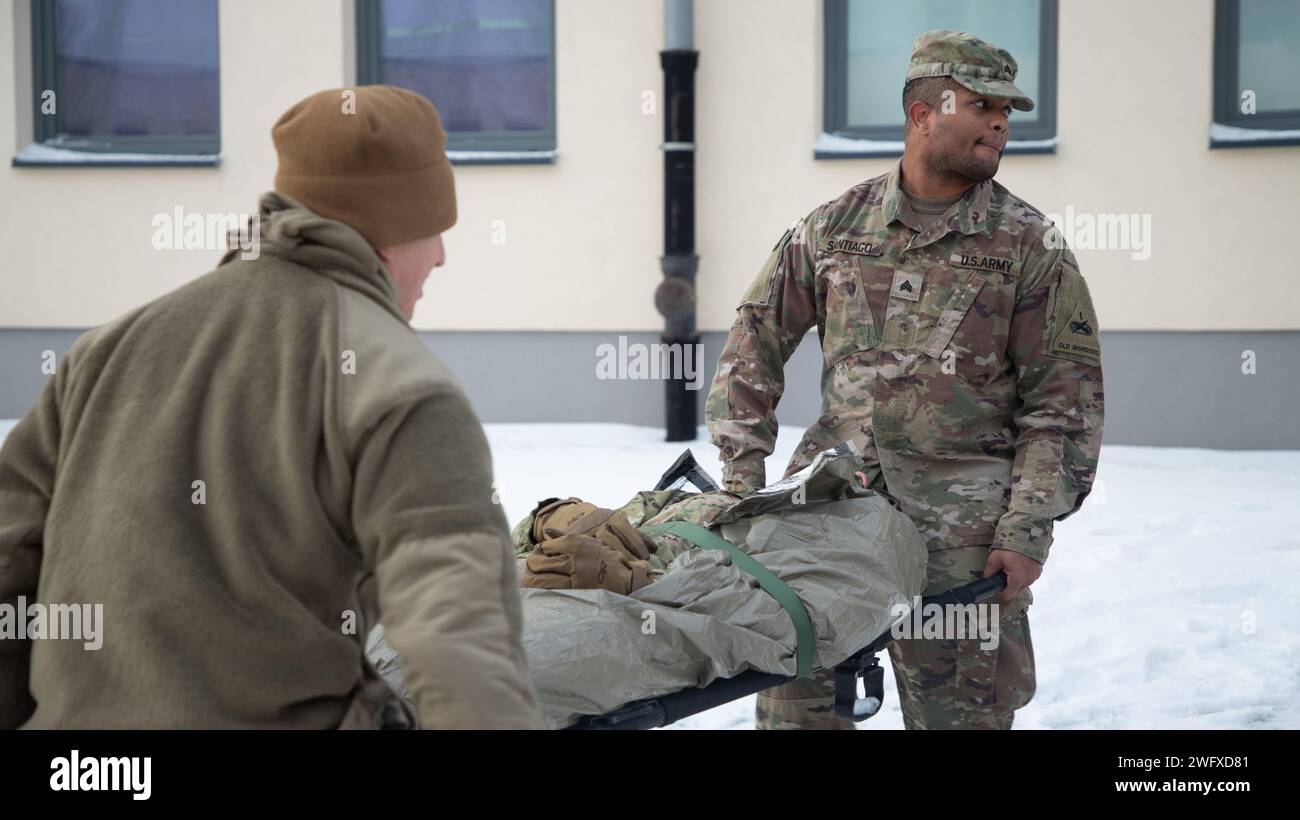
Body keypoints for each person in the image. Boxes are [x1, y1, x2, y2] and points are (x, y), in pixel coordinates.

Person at [0, 85, 540, 729]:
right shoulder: (402, 386)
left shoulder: (107, 352)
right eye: (435, 230)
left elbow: (9, 563)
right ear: (391, 231)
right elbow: (461, 646)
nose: (443, 257)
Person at [705, 30, 1105, 730]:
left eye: (1006, 110)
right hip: (827, 526)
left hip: (963, 550)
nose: (1001, 122)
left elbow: (1063, 407)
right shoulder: (832, 229)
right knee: (794, 714)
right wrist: (742, 481)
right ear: (924, 113)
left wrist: (1027, 528)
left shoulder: (1029, 246)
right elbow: (752, 343)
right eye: (982, 104)